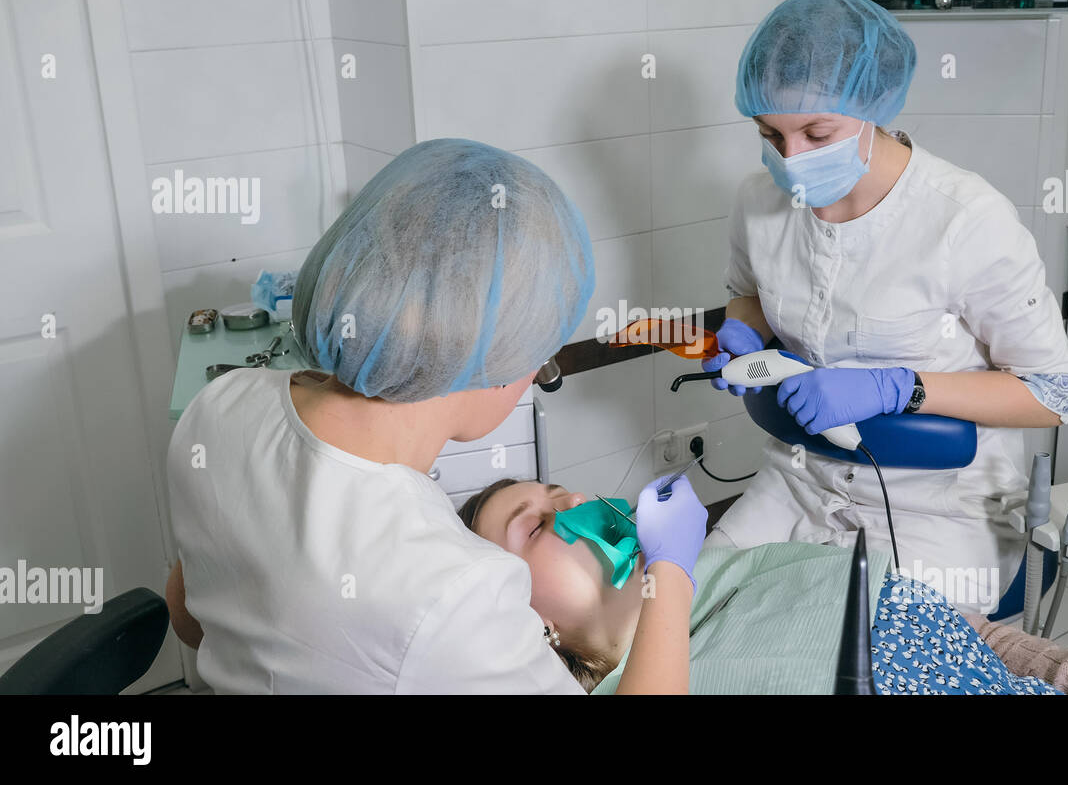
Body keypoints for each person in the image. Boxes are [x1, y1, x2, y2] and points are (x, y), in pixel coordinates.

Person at [163, 139, 709, 694]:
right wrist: (672, 575)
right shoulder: (455, 592)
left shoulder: (220, 405)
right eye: (537, 356)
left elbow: (190, 617)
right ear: (496, 359)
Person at [700, 0, 1068, 613]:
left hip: (937, 508)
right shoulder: (758, 201)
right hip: (798, 481)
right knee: (685, 616)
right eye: (770, 134)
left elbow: (1053, 394)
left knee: (860, 665)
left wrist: (896, 387)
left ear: (872, 110)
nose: (790, 159)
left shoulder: (965, 219)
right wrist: (741, 337)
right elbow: (747, 293)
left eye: (816, 132)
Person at [457, 478, 1068, 695]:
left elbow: (971, 638)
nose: (576, 507)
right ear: (519, 614)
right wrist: (667, 574)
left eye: (564, 491)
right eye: (539, 524)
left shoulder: (760, 570)